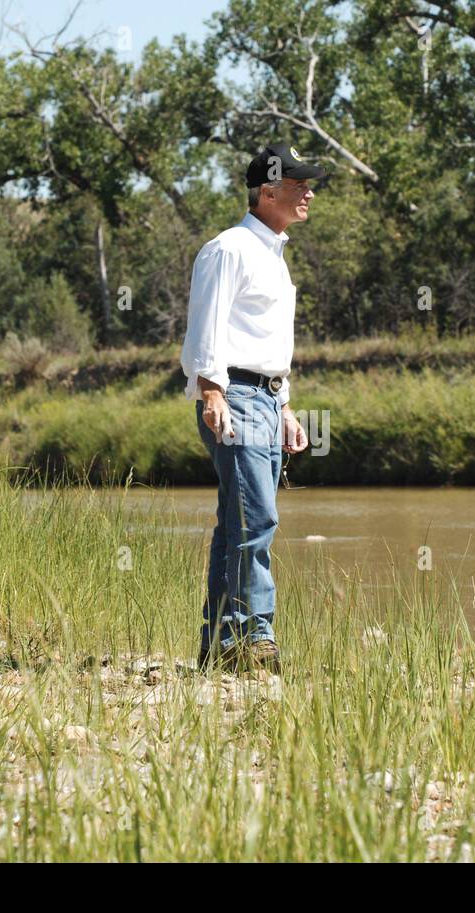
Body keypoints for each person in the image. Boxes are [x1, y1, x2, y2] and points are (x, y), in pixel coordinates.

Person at [179, 143, 323, 673]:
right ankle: (256, 637)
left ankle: (221, 644)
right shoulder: (229, 248)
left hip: (264, 396)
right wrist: (211, 390)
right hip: (232, 394)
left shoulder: (274, 257)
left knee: (236, 524)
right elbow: (207, 324)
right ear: (267, 192)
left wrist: (284, 406)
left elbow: (263, 339)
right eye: (298, 184)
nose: (308, 192)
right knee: (256, 517)